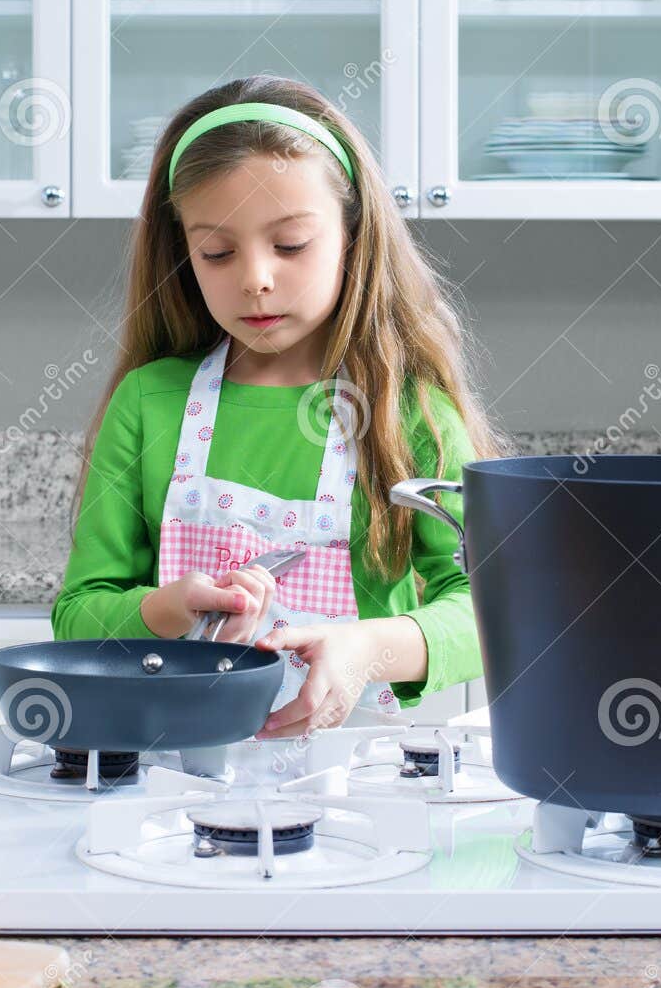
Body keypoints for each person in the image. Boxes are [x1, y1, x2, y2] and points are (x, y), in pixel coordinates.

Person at [53, 75, 502, 739]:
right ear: (184, 252)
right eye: (217, 252)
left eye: (290, 244)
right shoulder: (149, 403)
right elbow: (77, 618)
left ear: (353, 234)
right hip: (171, 770)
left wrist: (364, 648)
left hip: (355, 774)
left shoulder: (407, 413)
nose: (255, 278)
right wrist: (169, 608)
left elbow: (495, 613)